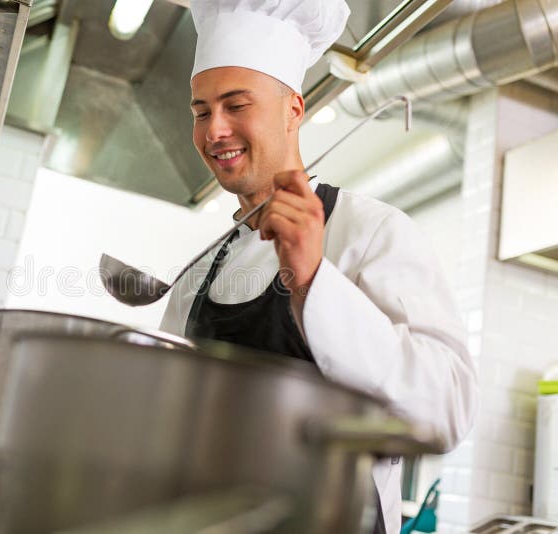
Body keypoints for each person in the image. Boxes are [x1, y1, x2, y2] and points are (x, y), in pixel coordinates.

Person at [158, 1, 479, 532]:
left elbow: (446, 412)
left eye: (237, 105)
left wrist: (312, 282)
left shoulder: (369, 232)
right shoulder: (197, 276)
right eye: (200, 111)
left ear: (294, 110)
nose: (214, 130)